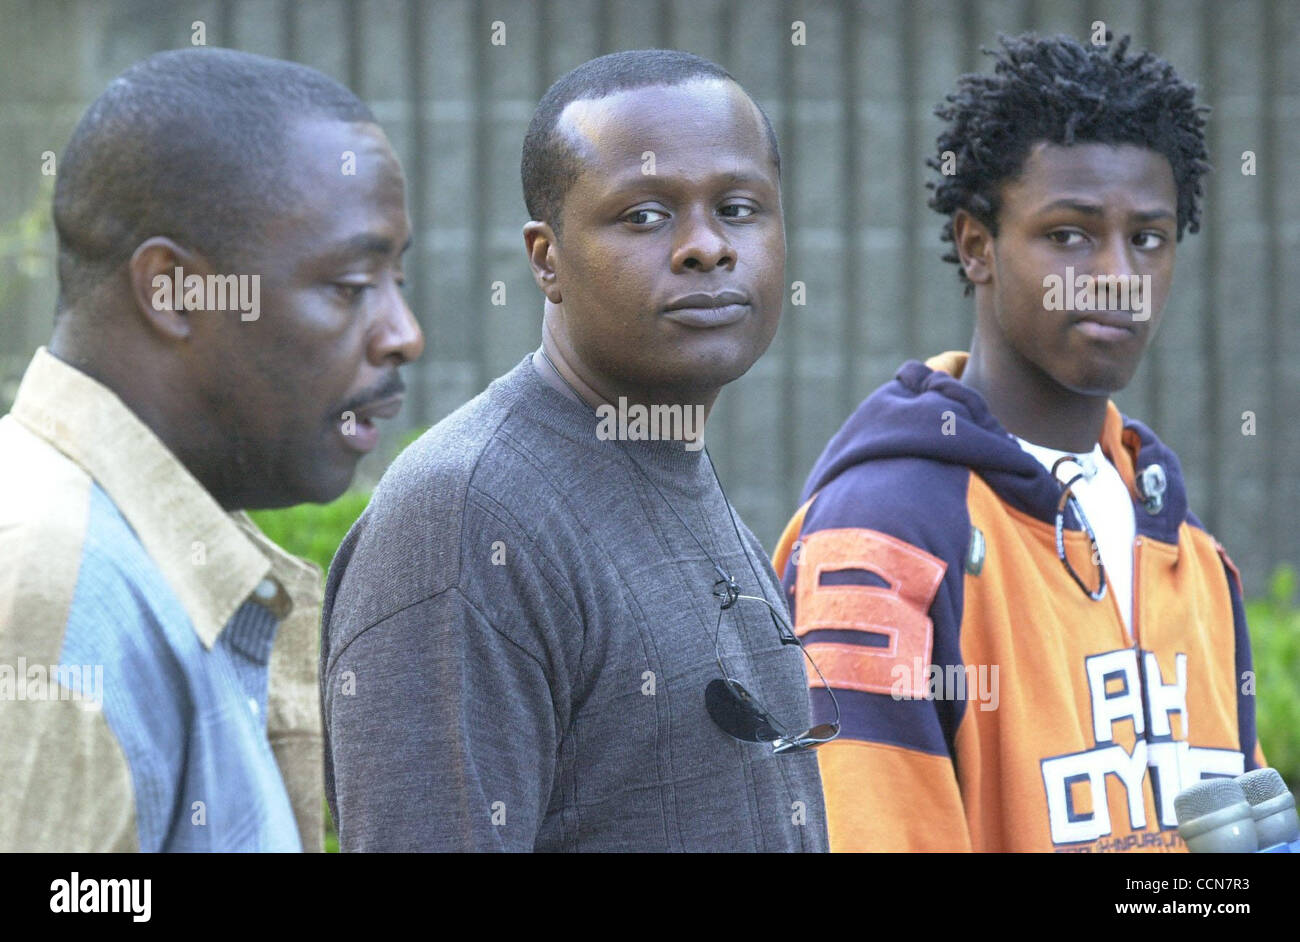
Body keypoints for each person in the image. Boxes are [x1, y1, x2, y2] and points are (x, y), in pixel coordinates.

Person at [322, 49, 830, 852]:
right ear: (545, 258)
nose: (707, 247)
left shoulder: (675, 467)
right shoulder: (465, 515)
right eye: (645, 215)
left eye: (739, 208)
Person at [773, 32, 1264, 852]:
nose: (1115, 272)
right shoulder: (881, 536)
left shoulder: (1190, 552)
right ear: (977, 245)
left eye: (1148, 238)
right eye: (1070, 233)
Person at [0, 47, 423, 852]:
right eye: (349, 286)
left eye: (396, 279)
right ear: (172, 291)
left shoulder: (136, 559)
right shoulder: (52, 593)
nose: (405, 333)